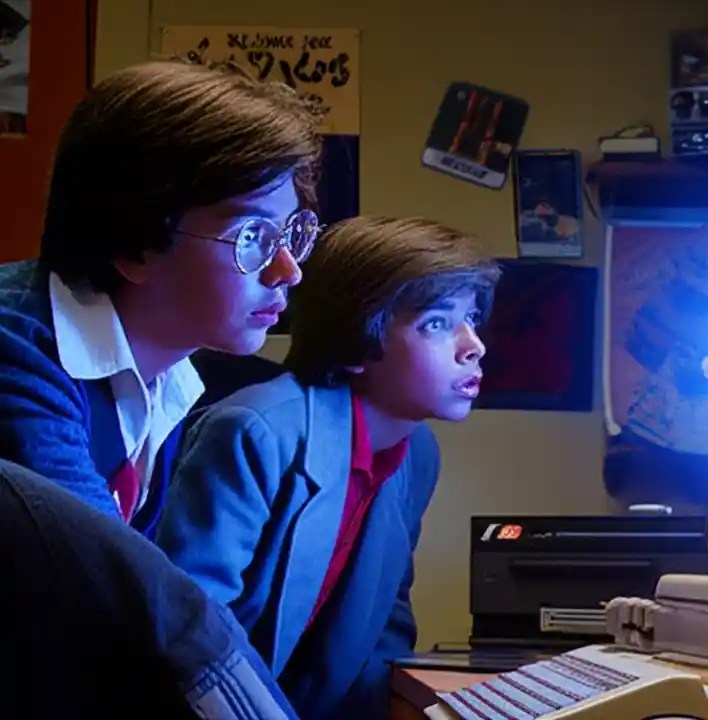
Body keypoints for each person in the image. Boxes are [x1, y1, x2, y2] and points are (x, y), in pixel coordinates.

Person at [0, 59, 321, 717]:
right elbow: (130, 607)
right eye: (254, 236)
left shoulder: (166, 377)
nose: (287, 269)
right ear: (134, 242)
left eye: (293, 233)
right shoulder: (16, 352)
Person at [157, 216, 500, 717]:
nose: (474, 346)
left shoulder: (418, 453)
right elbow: (190, 632)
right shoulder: (256, 432)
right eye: (437, 324)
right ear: (355, 341)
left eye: (471, 318)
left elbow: (385, 623)